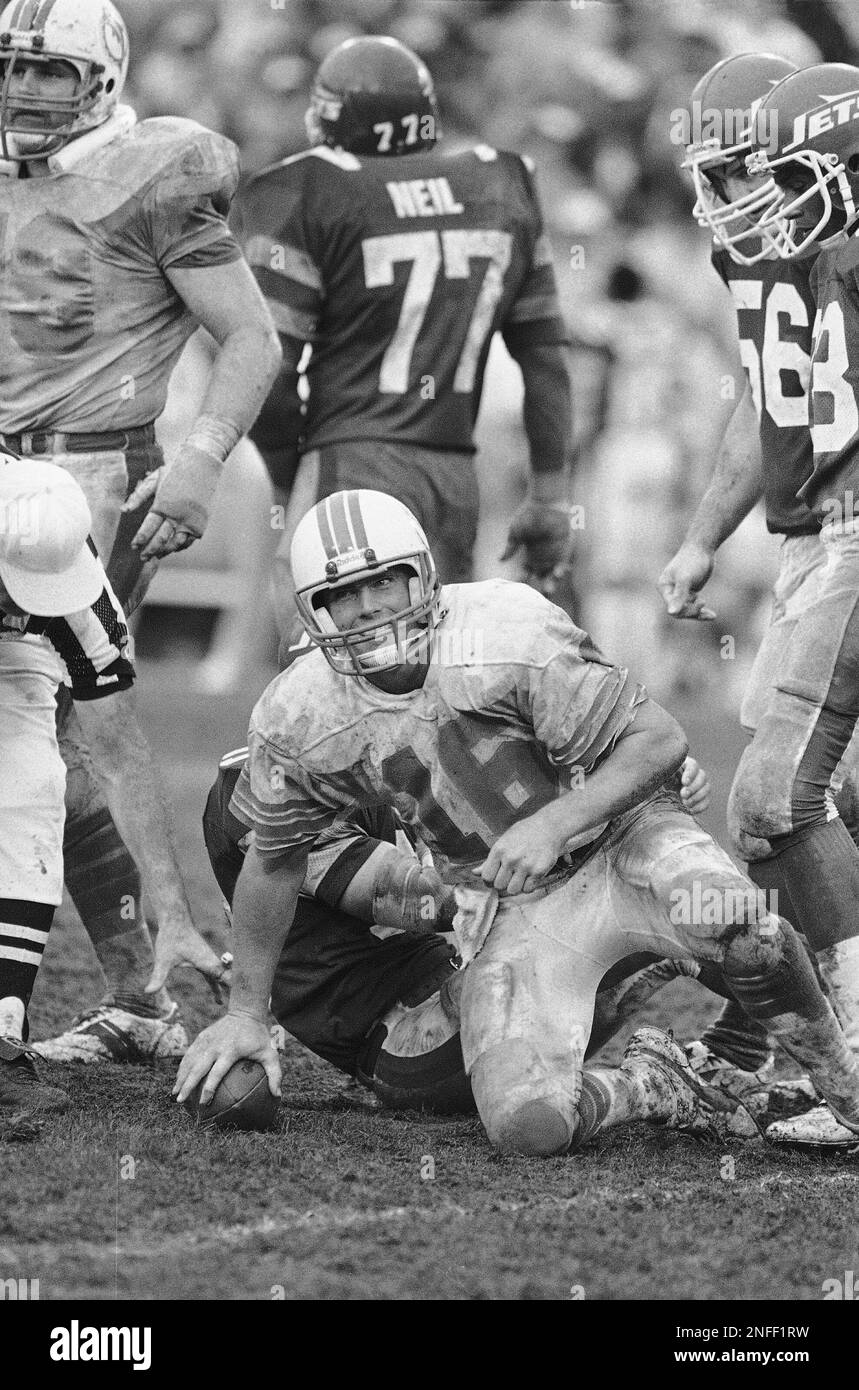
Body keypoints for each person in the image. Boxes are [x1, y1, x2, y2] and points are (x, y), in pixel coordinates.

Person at [176, 489, 859, 1155]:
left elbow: (656, 738)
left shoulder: (503, 626)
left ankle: (847, 1093)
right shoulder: (300, 713)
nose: (366, 608)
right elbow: (273, 861)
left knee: (748, 929)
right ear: (311, 611)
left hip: (622, 842)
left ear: (421, 575)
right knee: (527, 1126)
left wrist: (555, 822)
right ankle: (657, 1086)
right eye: (340, 595)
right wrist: (244, 1012)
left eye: (382, 582)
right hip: (516, 916)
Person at [0, 0, 282, 1062]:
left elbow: (250, 338)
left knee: (60, 728)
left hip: (89, 475)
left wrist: (201, 462)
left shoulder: (158, 172)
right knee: (51, 743)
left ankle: (146, 979)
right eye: (12, 68)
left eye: (50, 74)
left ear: (105, 78)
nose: (25, 90)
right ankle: (139, 988)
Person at [658, 54, 859, 1121]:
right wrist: (703, 537)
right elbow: (766, 396)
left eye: (751, 172)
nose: (736, 200)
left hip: (848, 539)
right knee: (835, 800)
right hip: (812, 541)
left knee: (774, 800)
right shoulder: (778, 244)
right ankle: (763, 1043)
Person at [233, 33, 575, 635]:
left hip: (350, 458)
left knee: (332, 673)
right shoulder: (501, 182)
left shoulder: (307, 188)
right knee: (437, 673)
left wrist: (289, 474)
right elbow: (544, 358)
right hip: (453, 474)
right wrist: (549, 492)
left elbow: (271, 369)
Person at [0, 456, 136, 1122]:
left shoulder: (47, 523)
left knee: (31, 777)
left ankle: (1, 1042)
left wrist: (167, 912)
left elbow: (117, 748)